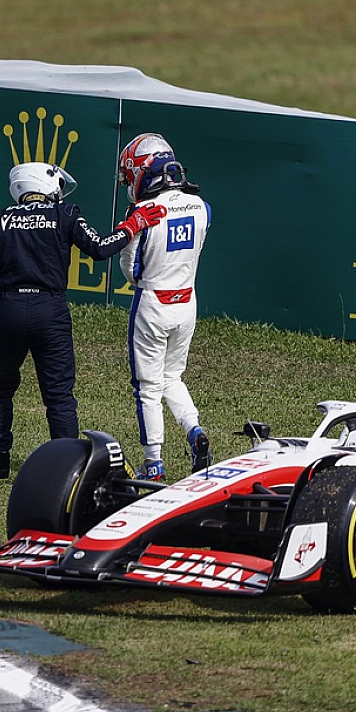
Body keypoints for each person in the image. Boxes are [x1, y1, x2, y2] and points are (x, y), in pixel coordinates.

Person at [0, 161, 167, 479]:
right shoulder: (65, 214)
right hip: (50, 311)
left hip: (8, 308)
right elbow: (100, 249)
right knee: (59, 393)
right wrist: (133, 226)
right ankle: (67, 467)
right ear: (44, 184)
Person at [116, 133, 212, 481]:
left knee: (148, 387)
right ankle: (194, 431)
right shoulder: (202, 206)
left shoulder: (141, 211)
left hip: (153, 300)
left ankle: (153, 463)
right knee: (173, 377)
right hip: (187, 299)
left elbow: (130, 269)